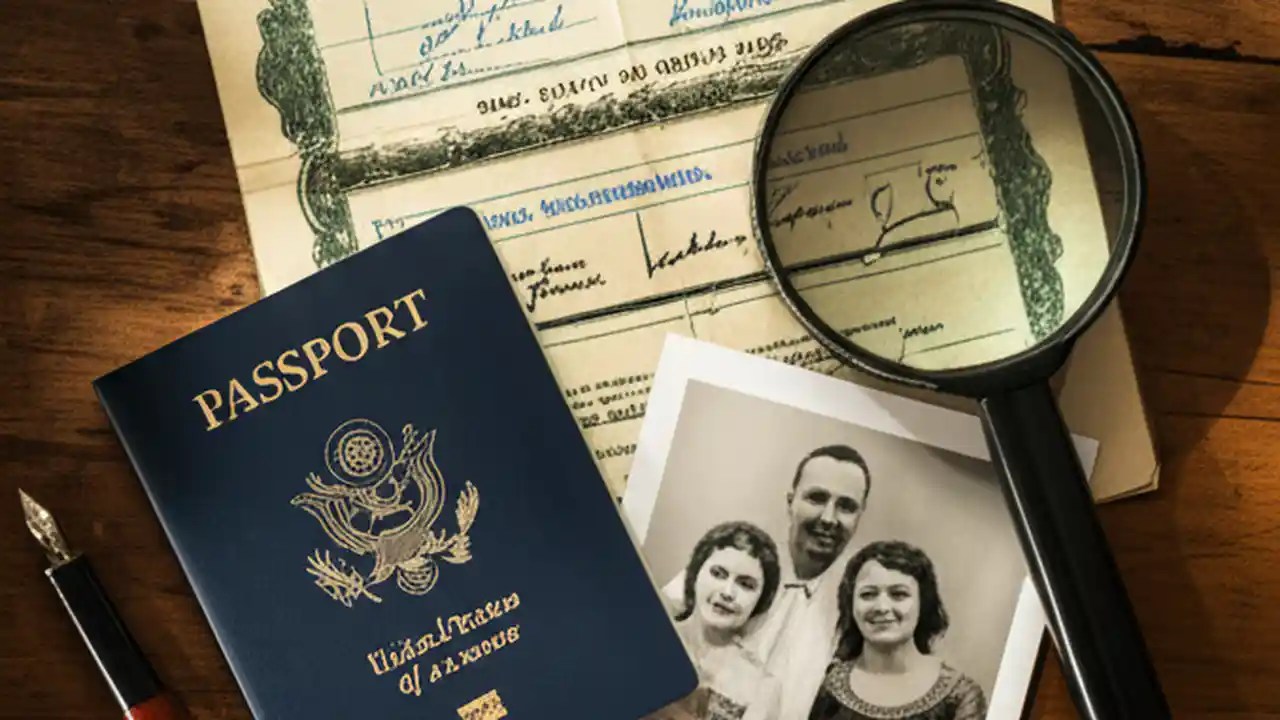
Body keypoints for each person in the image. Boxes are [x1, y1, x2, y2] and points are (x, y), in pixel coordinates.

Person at [662, 445, 873, 720]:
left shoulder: (854, 604)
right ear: (791, 501)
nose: (829, 518)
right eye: (817, 498)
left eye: (846, 506)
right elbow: (657, 624)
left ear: (860, 516)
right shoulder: (738, 561)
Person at [807, 541, 986, 720]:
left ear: (923, 604)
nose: (882, 607)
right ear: (851, 604)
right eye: (868, 594)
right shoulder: (830, 688)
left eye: (899, 594)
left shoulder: (961, 696)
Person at [661, 521, 784, 720]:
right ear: (695, 574)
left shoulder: (762, 689)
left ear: (761, 601)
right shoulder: (646, 640)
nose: (728, 592)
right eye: (718, 574)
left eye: (746, 584)